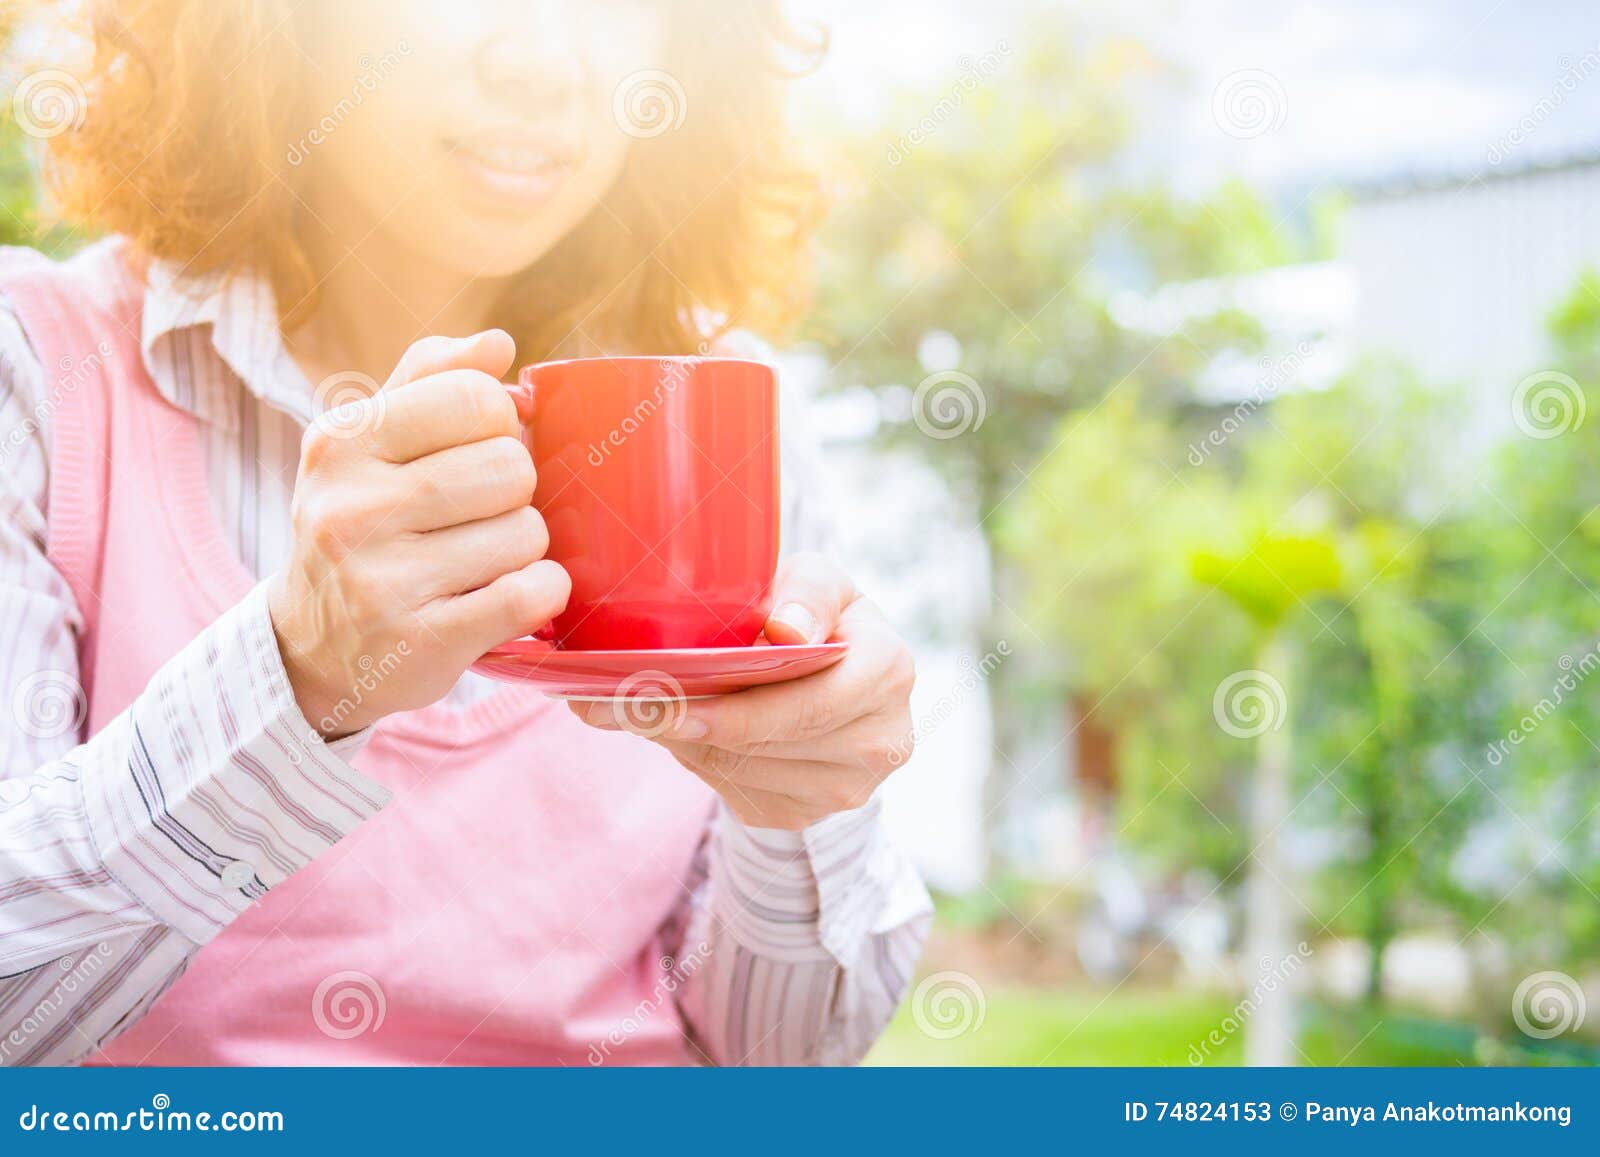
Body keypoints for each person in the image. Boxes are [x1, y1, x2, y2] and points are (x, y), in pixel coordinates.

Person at [0, 0, 930, 1066]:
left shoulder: (718, 415)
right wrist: (292, 672)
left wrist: (803, 801)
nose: (544, 63)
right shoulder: (36, 376)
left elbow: (780, 1059)